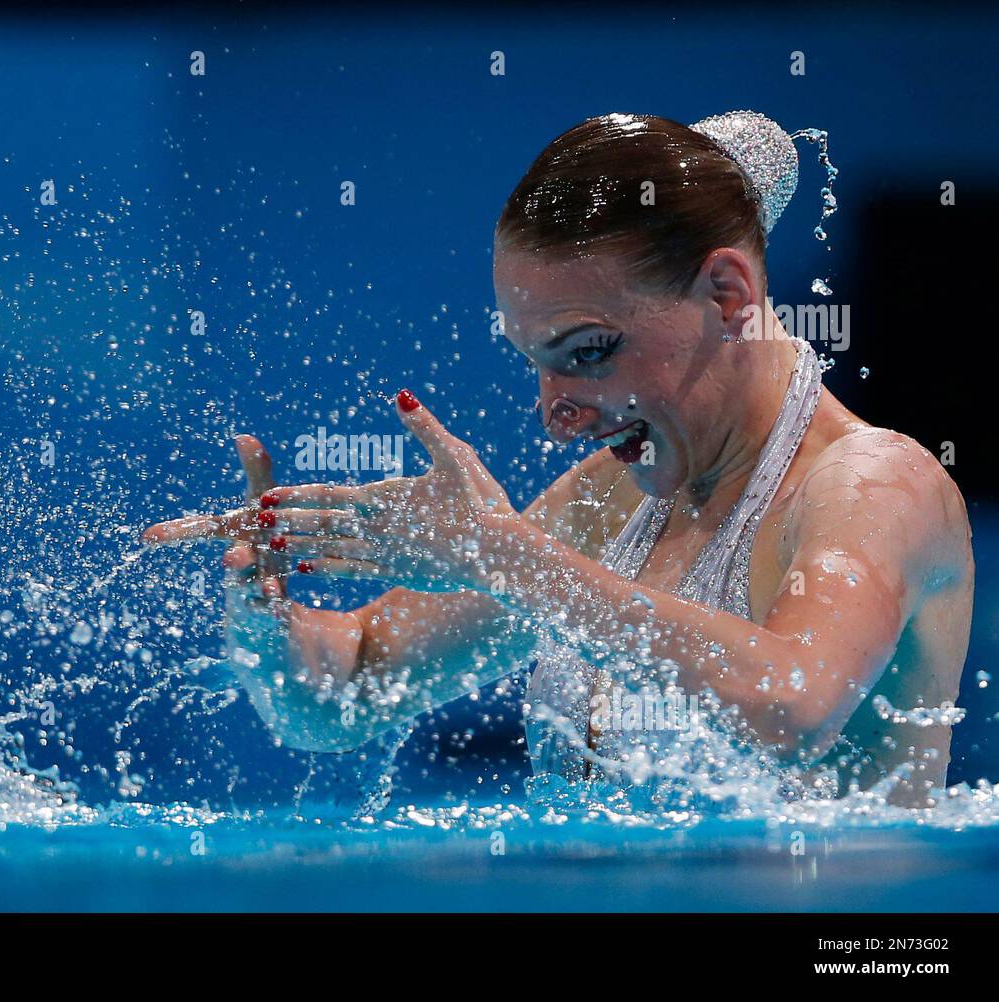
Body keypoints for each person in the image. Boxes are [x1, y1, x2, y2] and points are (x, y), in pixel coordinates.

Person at [144, 112, 973, 809]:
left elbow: (794, 703)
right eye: (536, 362)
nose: (556, 417)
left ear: (728, 296)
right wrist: (269, 631)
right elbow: (352, 688)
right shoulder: (617, 500)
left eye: (590, 350)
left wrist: (499, 552)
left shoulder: (874, 485)